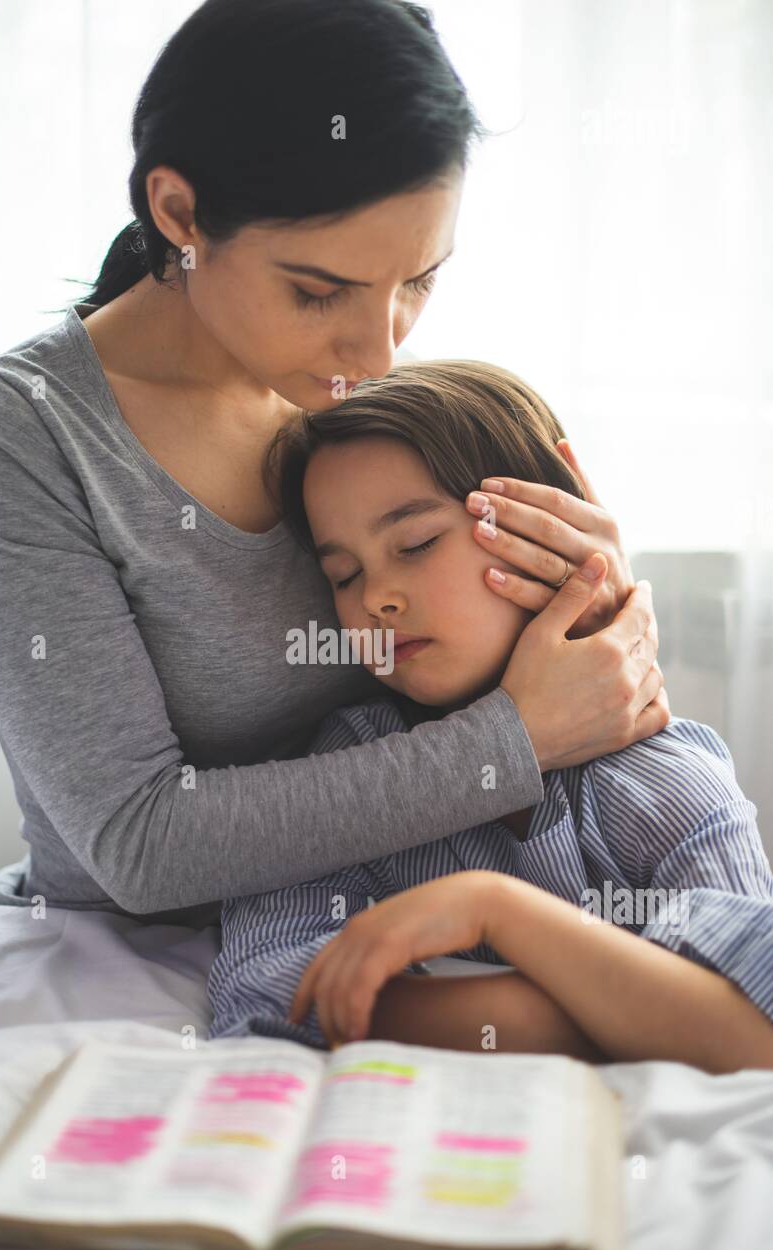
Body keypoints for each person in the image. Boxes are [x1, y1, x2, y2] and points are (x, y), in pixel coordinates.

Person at [0, 0, 664, 933]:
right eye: (319, 292)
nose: (381, 351)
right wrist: (517, 740)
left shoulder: (356, 399)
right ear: (179, 213)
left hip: (392, 925)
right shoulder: (17, 436)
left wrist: (589, 612)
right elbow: (140, 846)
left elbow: (504, 669)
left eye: (418, 282)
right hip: (132, 961)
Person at [207, 361, 773, 1075]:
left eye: (414, 544)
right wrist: (628, 1010)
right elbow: (270, 995)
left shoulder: (657, 775)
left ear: (554, 519)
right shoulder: (346, 763)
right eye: (342, 574)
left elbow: (754, 1023)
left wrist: (495, 909)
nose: (376, 596)